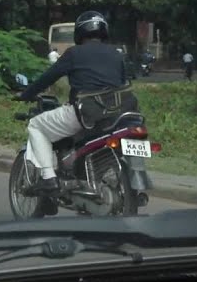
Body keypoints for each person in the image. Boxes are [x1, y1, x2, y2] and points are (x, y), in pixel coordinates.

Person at [16, 11, 129, 194]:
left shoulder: (74, 53)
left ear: (79, 33)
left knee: (35, 125)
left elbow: (48, 77)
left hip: (85, 113)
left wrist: (26, 93)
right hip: (117, 114)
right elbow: (123, 82)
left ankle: (48, 178)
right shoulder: (117, 55)